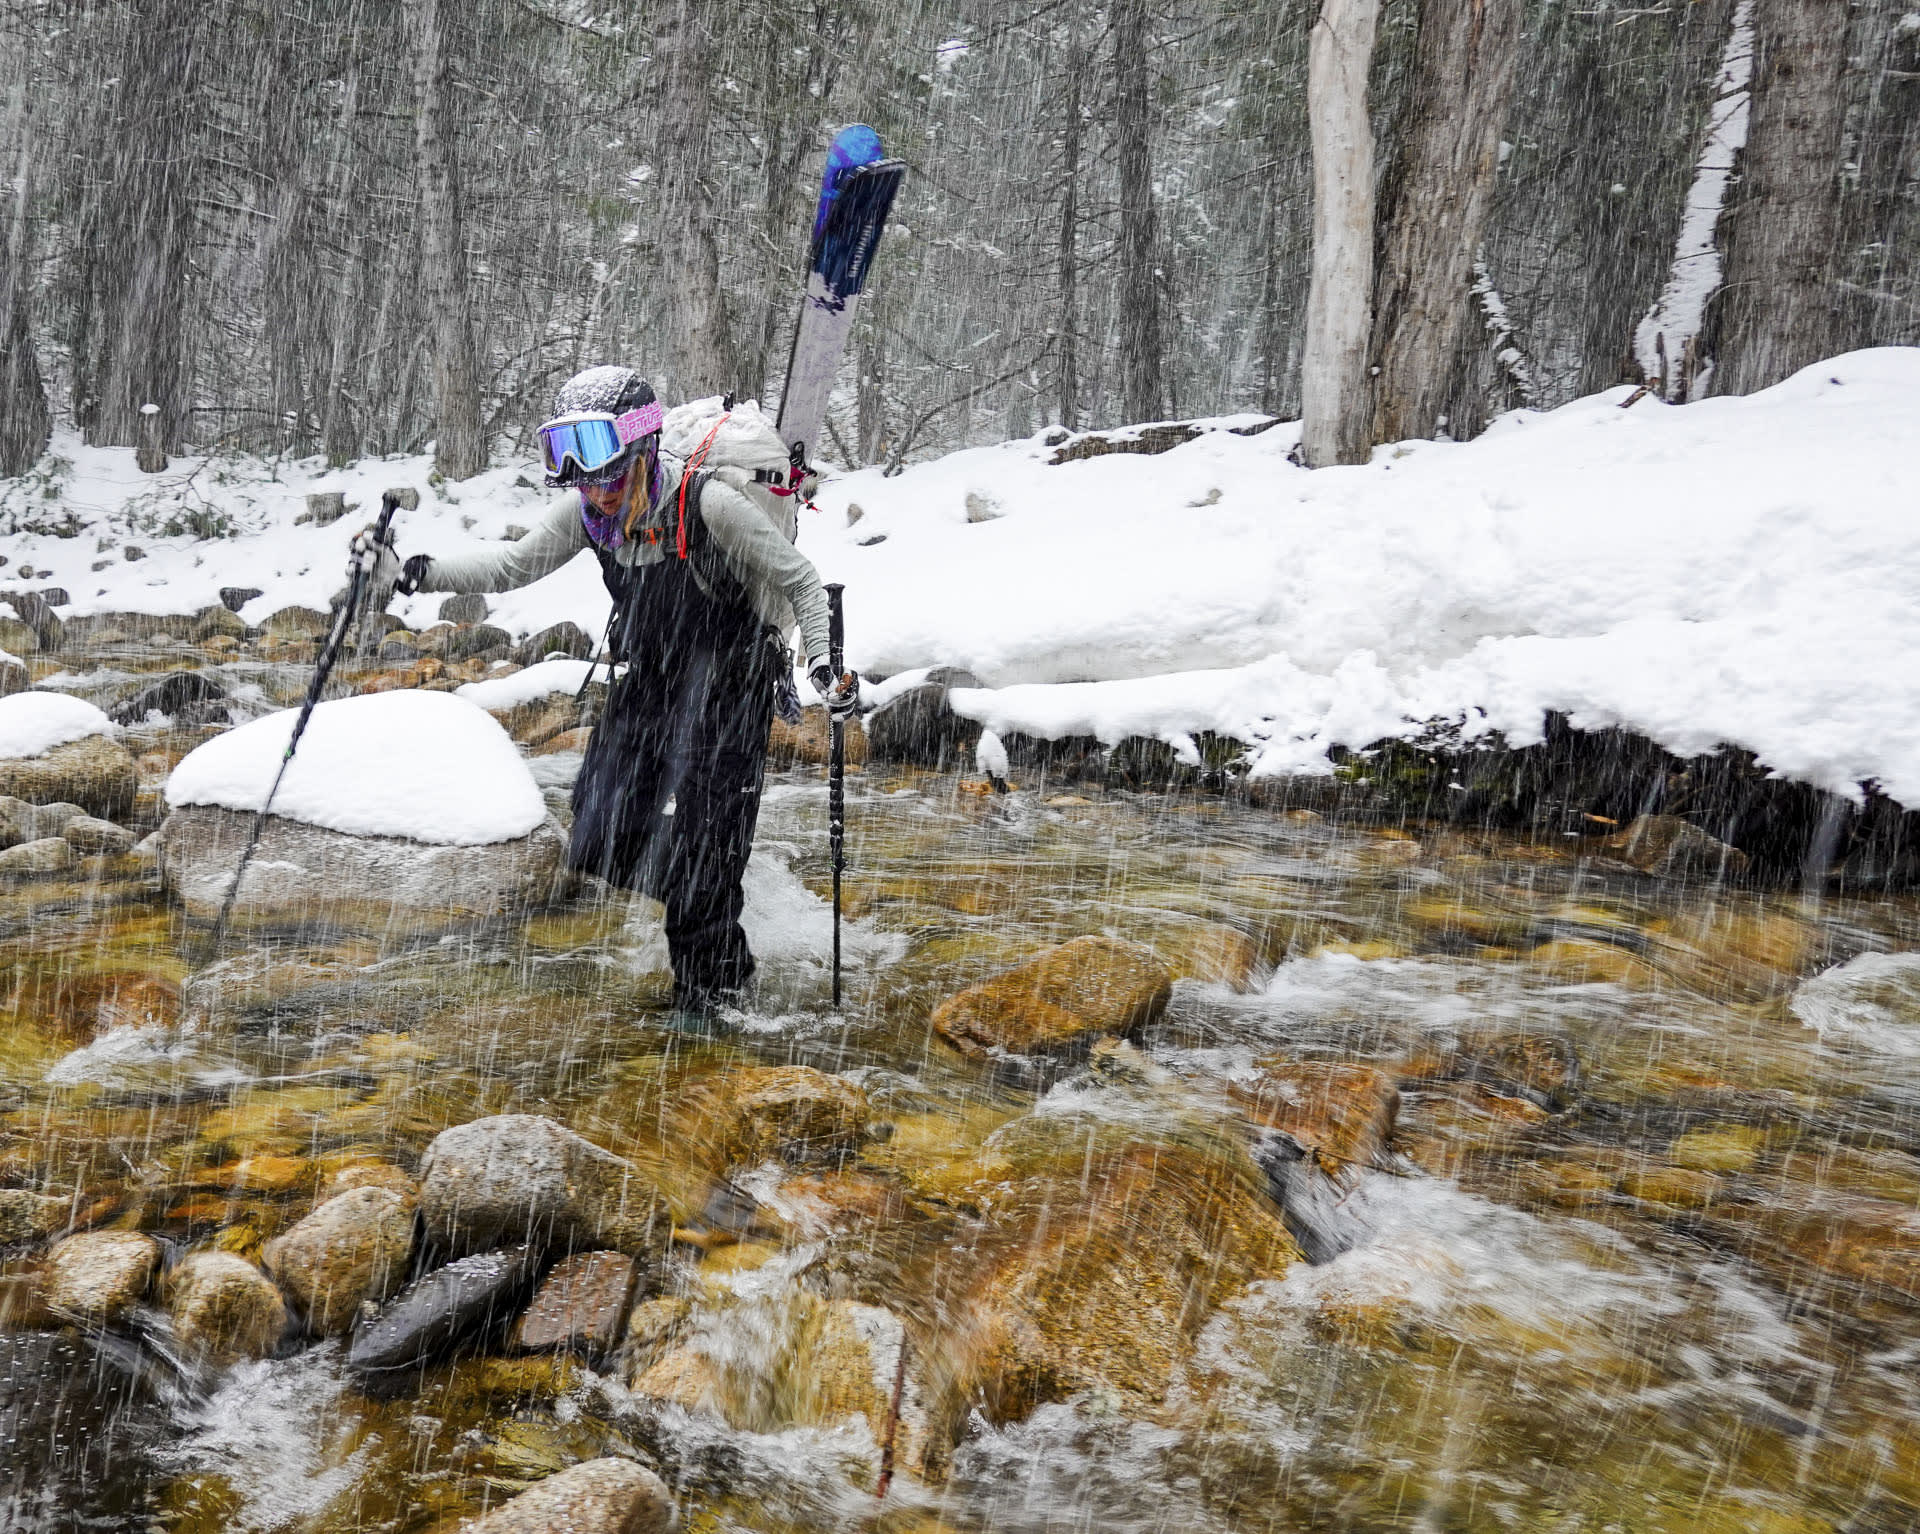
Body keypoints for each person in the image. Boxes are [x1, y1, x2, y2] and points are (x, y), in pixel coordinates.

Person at [352, 365, 857, 1020]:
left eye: (601, 467)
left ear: (643, 446)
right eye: (571, 467)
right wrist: (411, 574)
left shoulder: (709, 504)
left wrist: (822, 664)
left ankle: (713, 995)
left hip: (731, 684)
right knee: (596, 836)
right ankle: (711, 881)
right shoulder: (588, 513)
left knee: (704, 863)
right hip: (649, 681)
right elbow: (512, 564)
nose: (591, 487)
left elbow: (802, 583)